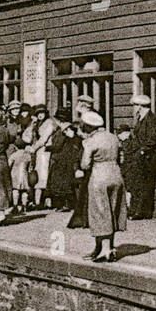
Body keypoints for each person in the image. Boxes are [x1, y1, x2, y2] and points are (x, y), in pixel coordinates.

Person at [80, 110, 127, 261]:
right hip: (116, 175)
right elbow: (122, 157)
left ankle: (105, 251)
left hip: (99, 177)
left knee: (100, 211)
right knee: (113, 210)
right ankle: (104, 247)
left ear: (88, 126)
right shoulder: (113, 137)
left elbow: (85, 165)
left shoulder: (90, 141)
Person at [126, 94, 156, 219]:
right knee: (137, 184)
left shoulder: (152, 119)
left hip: (147, 158)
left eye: (135, 105)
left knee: (143, 185)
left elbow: (152, 139)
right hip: (138, 156)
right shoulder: (140, 118)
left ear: (141, 106)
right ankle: (136, 210)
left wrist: (142, 151)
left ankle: (141, 212)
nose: (134, 108)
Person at [46, 108, 83, 212]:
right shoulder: (68, 128)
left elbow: (58, 145)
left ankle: (64, 205)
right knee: (64, 182)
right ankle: (66, 204)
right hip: (65, 158)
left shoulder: (64, 129)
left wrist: (47, 147)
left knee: (61, 183)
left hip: (62, 159)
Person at [67, 95, 95, 229]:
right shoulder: (83, 119)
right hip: (79, 155)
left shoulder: (89, 119)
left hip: (85, 156)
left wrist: (78, 134)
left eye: (79, 103)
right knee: (81, 188)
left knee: (84, 188)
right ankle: (83, 218)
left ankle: (85, 218)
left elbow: (89, 139)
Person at [28, 104, 57, 209]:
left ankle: (43, 202)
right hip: (39, 152)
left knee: (43, 176)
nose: (40, 115)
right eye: (38, 113)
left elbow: (43, 139)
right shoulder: (37, 124)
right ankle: (38, 201)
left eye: (42, 113)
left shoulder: (49, 124)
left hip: (45, 151)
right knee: (38, 175)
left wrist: (34, 148)